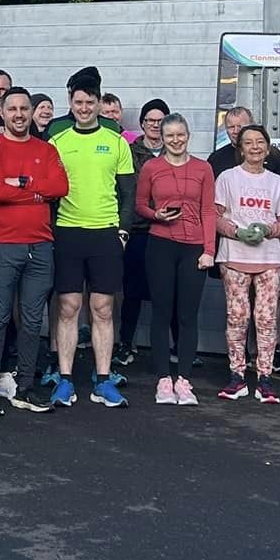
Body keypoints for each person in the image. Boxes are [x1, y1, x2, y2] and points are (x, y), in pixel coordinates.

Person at [46, 68, 136, 407]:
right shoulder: (57, 141)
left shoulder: (115, 142)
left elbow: (128, 193)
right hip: (68, 234)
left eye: (90, 102)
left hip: (105, 234)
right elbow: (48, 193)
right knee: (68, 308)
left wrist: (123, 233)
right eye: (79, 102)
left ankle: (103, 380)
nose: (84, 108)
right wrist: (52, 232)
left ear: (99, 103)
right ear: (70, 103)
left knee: (102, 308)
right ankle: (65, 380)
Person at [0, 87, 68, 414]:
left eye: (23, 108)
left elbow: (60, 187)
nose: (18, 114)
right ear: (2, 113)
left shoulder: (46, 148)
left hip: (41, 246)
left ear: (31, 112)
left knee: (32, 321)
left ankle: (25, 387)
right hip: (4, 246)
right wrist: (36, 191)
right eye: (11, 108)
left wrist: (23, 182)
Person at [134, 112, 215, 405]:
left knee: (187, 315)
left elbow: (208, 211)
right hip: (160, 244)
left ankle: (184, 379)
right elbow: (141, 204)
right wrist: (156, 215)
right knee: (161, 311)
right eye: (170, 136)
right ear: (162, 138)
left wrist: (209, 250)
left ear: (188, 135)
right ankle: (163, 379)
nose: (176, 140)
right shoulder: (151, 167)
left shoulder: (203, 168)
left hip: (193, 248)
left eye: (180, 134)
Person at [214, 123, 280, 402]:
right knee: (237, 318)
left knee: (267, 319)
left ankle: (265, 377)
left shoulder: (276, 182)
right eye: (249, 142)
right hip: (234, 256)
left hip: (269, 258)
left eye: (260, 142)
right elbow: (214, 216)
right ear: (240, 148)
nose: (255, 147)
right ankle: (236, 375)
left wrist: (268, 229)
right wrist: (237, 232)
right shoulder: (226, 178)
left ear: (268, 147)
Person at [113, 97, 168, 368]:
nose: (155, 126)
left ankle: (174, 347)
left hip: (168, 231)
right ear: (142, 123)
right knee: (131, 291)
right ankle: (125, 344)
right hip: (136, 230)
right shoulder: (130, 151)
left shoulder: (175, 151)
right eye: (150, 121)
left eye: (160, 121)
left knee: (167, 291)